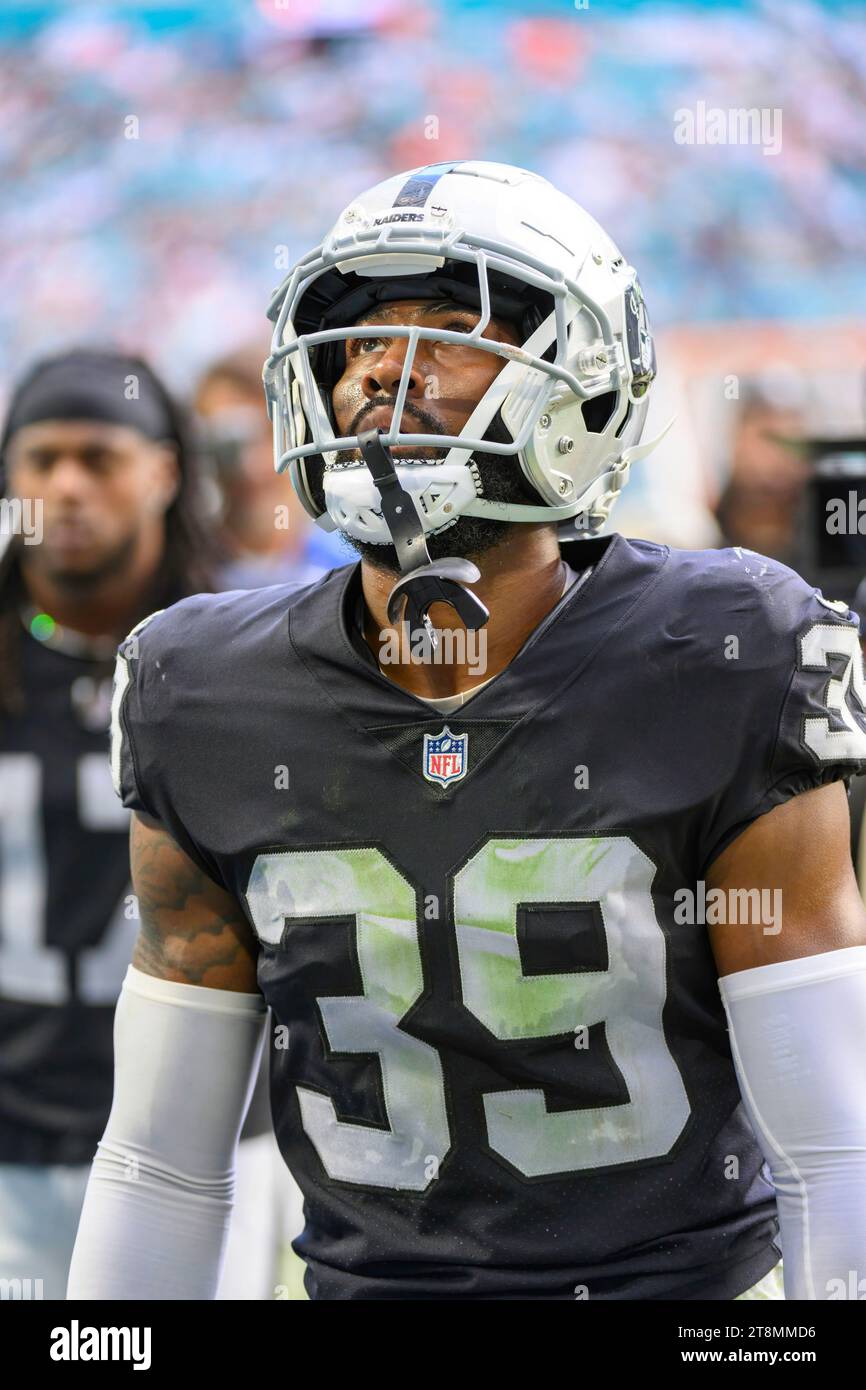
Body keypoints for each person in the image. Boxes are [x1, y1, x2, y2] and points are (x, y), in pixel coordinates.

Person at [69, 163, 866, 1301]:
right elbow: (159, 1162)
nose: (383, 369)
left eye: (446, 330)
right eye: (358, 344)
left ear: (584, 384)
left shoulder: (721, 653)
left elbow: (835, 1151)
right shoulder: (203, 691)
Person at [0, 349, 281, 1300]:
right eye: (40, 461)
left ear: (164, 472)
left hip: (206, 1143)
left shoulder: (245, 661)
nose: (65, 487)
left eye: (97, 458)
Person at [194, 346, 350, 590]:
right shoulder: (177, 576)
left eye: (272, 433)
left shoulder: (358, 565)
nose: (250, 465)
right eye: (226, 443)